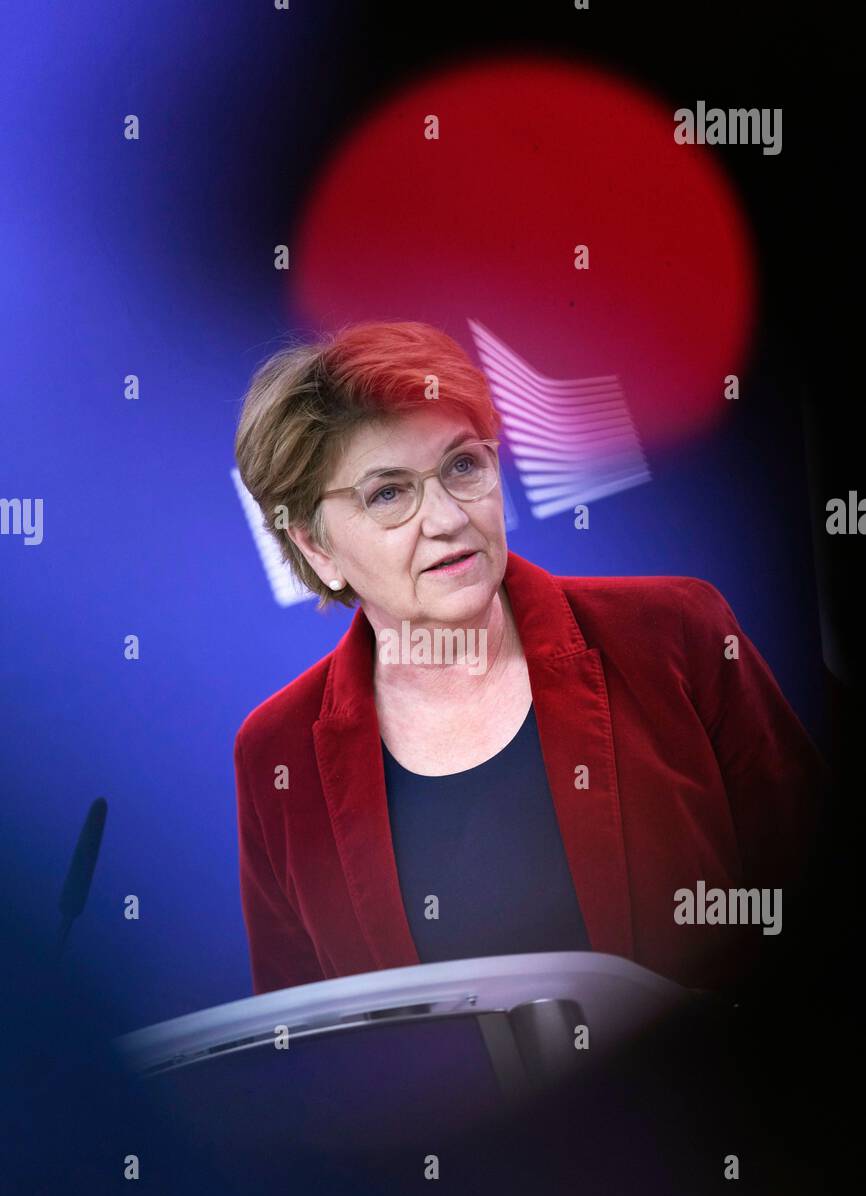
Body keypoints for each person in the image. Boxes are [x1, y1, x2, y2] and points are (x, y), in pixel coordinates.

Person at [232, 320, 828, 996]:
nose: (449, 517)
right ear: (316, 549)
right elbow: (308, 1047)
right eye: (389, 493)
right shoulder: (275, 753)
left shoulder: (674, 632)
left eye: (463, 466)